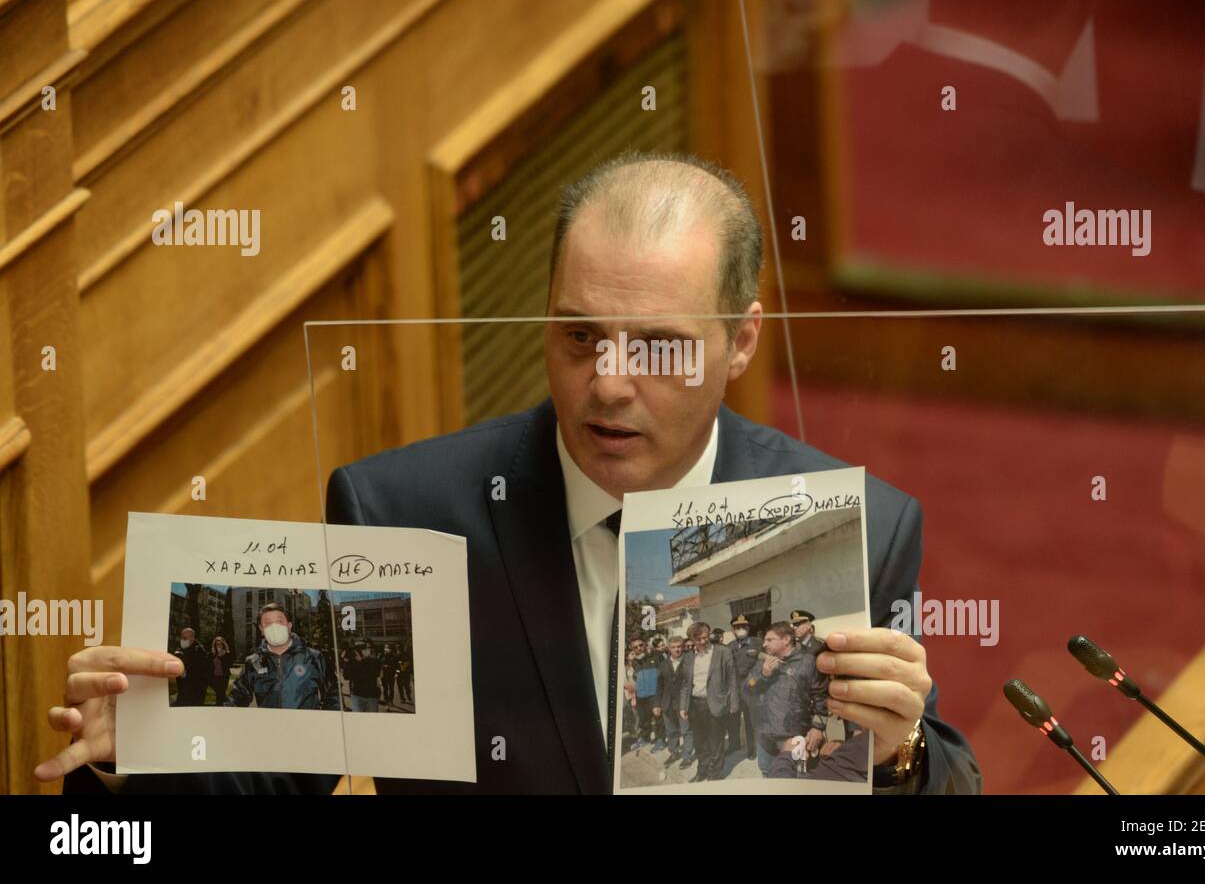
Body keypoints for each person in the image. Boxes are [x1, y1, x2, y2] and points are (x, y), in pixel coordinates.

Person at [43, 151, 979, 794]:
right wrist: (144, 764)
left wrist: (898, 762)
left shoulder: (865, 523)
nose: (608, 384)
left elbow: (940, 776)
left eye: (656, 346)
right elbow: (267, 780)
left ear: (740, 341)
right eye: (579, 336)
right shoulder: (405, 516)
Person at [746, 622, 827, 777]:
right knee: (769, 775)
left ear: (786, 640)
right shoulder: (762, 663)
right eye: (764, 640)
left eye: (769, 640)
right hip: (765, 737)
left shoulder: (808, 662)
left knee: (798, 778)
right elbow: (747, 687)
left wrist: (818, 727)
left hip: (795, 736)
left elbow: (821, 696)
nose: (764, 644)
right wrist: (763, 675)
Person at [223, 604, 339, 711]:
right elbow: (237, 697)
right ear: (261, 629)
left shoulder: (313, 657)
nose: (274, 627)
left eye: (279, 621)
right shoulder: (253, 662)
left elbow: (334, 695)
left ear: (289, 626)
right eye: (268, 623)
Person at [677, 621, 737, 782]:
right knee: (699, 741)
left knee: (715, 742)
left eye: (705, 637)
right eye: (699, 639)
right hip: (695, 704)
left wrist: (734, 702)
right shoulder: (689, 657)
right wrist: (683, 706)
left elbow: (732, 679)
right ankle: (702, 771)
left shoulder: (723, 651)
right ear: (692, 640)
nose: (704, 641)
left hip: (716, 703)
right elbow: (685, 684)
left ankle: (714, 775)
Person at [727, 615, 762, 759]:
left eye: (744, 627)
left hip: (750, 686)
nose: (741, 629)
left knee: (750, 720)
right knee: (732, 718)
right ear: (733, 630)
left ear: (749, 628)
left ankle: (752, 750)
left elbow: (761, 663)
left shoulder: (757, 643)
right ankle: (734, 745)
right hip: (734, 688)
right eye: (737, 627)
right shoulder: (730, 646)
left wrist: (754, 678)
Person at [653, 636, 693, 765]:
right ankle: (674, 752)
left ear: (683, 647)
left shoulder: (689, 661)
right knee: (671, 731)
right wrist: (657, 704)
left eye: (679, 647)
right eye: (673, 647)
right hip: (667, 703)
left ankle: (687, 756)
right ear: (668, 649)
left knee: (686, 730)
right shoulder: (663, 664)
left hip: (683, 703)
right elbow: (659, 686)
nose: (677, 650)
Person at [342, 639, 383, 713]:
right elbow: (346, 676)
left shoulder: (374, 661)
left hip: (371, 696)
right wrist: (353, 662)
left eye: (367, 648)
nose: (366, 650)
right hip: (357, 695)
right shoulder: (353, 661)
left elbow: (374, 674)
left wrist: (362, 661)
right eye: (362, 648)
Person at [171, 628, 208, 707]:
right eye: (181, 637)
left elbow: (198, 670)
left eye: (185, 638)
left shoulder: (199, 651)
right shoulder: (180, 649)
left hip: (195, 692)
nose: (182, 640)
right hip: (182, 688)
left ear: (192, 639)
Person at [209, 637, 233, 704]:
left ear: (223, 645)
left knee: (221, 692)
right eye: (217, 644)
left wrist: (222, 655)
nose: (218, 645)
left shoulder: (227, 653)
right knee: (219, 692)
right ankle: (222, 704)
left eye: (220, 644)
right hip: (214, 676)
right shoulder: (213, 654)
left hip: (224, 676)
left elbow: (229, 664)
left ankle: (220, 705)